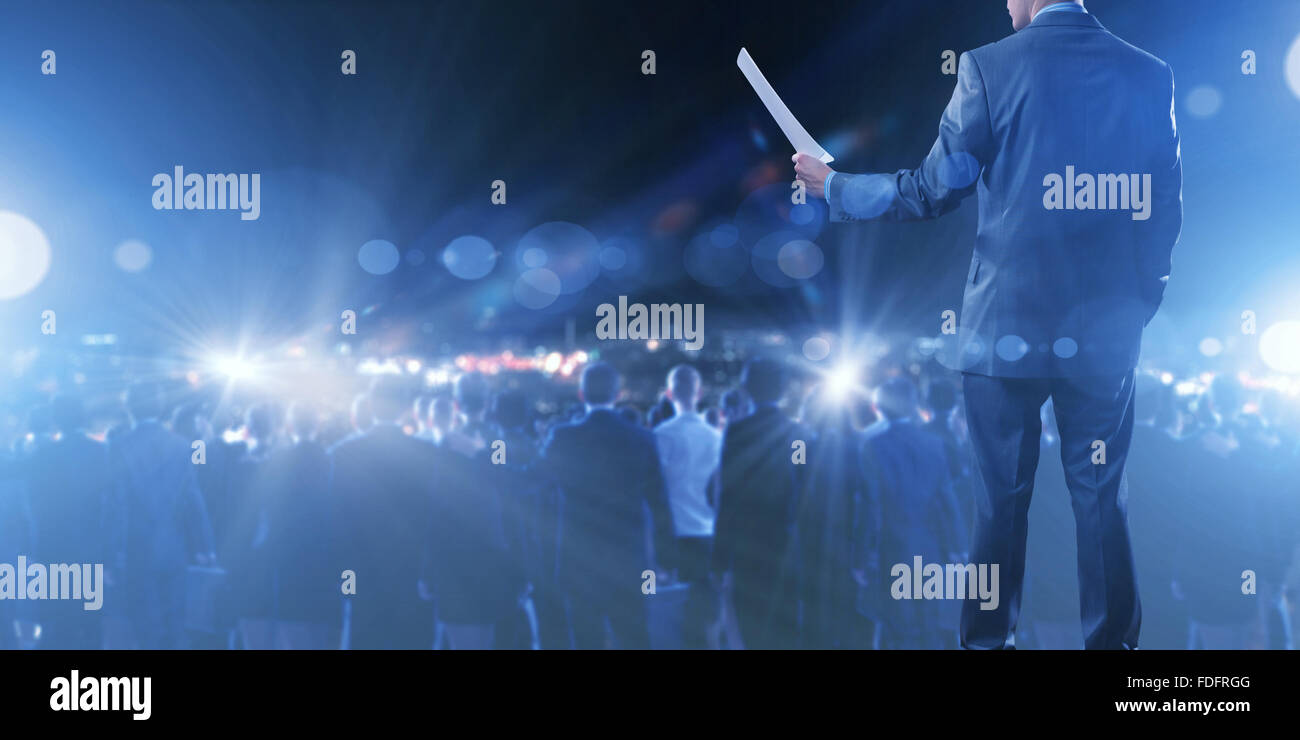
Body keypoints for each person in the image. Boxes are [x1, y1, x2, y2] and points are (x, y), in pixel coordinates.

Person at [795, 0, 1182, 649]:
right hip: (1105, 336)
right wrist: (1140, 301)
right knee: (1101, 501)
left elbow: (929, 192)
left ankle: (986, 643)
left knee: (1000, 505)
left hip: (1004, 330)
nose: (1005, 6)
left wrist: (834, 188)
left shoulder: (988, 69)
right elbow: (1163, 207)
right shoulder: (1149, 73)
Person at [537, 362, 674, 649]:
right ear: (618, 393)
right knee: (636, 634)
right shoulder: (642, 438)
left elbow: (536, 482)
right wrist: (664, 559)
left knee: (586, 639)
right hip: (628, 558)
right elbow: (659, 500)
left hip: (578, 559)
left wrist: (486, 455)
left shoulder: (563, 437)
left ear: (581, 394)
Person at [328, 376, 439, 649]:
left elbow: (336, 521)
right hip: (411, 571)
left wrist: (344, 579)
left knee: (365, 637)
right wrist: (430, 572)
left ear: (371, 405)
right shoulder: (426, 453)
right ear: (405, 407)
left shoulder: (344, 453)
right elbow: (433, 519)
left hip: (361, 570)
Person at [857, 377, 967, 648]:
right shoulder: (933, 444)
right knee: (928, 621)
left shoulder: (872, 444)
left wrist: (860, 556)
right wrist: (957, 547)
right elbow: (946, 500)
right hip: (929, 545)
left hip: (889, 547)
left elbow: (870, 506)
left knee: (894, 624)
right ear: (914, 406)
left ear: (877, 408)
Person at [109, 382, 216, 649]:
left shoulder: (119, 446)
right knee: (175, 624)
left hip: (136, 548)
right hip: (174, 547)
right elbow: (192, 497)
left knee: (143, 626)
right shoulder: (182, 445)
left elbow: (114, 504)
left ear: (128, 408)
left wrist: (110, 556)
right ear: (160, 408)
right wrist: (204, 546)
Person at [712, 358, 805, 649]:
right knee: (785, 623)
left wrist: (719, 555)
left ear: (747, 389)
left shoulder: (736, 433)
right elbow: (802, 483)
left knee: (750, 619)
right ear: (784, 390)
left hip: (746, 542)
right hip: (785, 540)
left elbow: (727, 492)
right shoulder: (796, 433)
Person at [653, 365, 723, 649]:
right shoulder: (716, 438)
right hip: (707, 534)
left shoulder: (660, 435)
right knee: (704, 611)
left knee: (669, 612)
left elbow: (655, 491)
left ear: (669, 394)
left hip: (674, 534)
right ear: (700, 393)